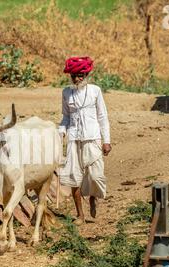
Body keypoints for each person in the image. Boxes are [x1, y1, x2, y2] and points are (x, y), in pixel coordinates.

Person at [58, 56, 111, 225]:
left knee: (95, 176)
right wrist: (61, 130)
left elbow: (102, 117)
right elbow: (66, 116)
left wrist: (106, 140)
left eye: (80, 75)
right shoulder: (66, 92)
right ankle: (80, 215)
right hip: (74, 139)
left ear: (86, 74)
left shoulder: (95, 91)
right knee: (74, 178)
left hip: (92, 137)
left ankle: (93, 197)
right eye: (73, 75)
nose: (77, 79)